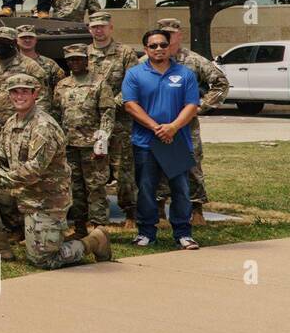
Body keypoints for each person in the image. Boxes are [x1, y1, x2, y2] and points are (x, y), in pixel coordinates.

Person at [0, 74, 112, 267]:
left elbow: (33, 171)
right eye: (14, 92)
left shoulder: (44, 126)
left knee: (44, 260)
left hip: (46, 199)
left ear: (35, 94)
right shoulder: (12, 122)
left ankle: (94, 240)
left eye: (25, 91)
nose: (19, 96)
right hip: (22, 189)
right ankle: (0, 247)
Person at [122, 30, 202, 250]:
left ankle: (183, 234)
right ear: (146, 49)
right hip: (145, 143)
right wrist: (155, 127)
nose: (159, 49)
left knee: (181, 189)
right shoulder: (135, 74)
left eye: (162, 45)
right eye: (153, 46)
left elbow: (192, 105)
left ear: (169, 47)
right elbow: (130, 104)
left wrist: (173, 127)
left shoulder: (185, 74)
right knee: (146, 188)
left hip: (175, 140)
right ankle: (147, 232)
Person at [154, 17, 228, 225]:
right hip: (157, 124)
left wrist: (201, 105)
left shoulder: (193, 60)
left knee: (192, 166)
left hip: (186, 124)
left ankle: (196, 210)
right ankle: (159, 209)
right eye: (163, 33)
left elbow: (221, 83)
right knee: (159, 164)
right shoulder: (149, 60)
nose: (167, 37)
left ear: (180, 35)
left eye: (171, 33)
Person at [50, 44, 114, 237]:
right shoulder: (62, 85)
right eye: (71, 59)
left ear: (86, 61)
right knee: (74, 187)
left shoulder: (99, 82)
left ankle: (99, 229)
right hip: (69, 145)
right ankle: (79, 227)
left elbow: (107, 113)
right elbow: (56, 113)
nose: (75, 62)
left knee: (95, 186)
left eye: (78, 59)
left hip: (92, 145)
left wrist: (103, 139)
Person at [87, 12, 140, 227]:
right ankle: (96, 216)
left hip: (120, 121)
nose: (98, 30)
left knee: (124, 169)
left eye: (102, 26)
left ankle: (130, 213)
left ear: (111, 28)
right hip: (92, 122)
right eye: (94, 27)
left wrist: (110, 102)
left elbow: (133, 83)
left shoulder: (125, 53)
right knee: (94, 169)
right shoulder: (84, 53)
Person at [0, 27, 48, 156]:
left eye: (4, 42)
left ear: (14, 43)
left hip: (26, 131)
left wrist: (40, 131)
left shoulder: (31, 67)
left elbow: (42, 100)